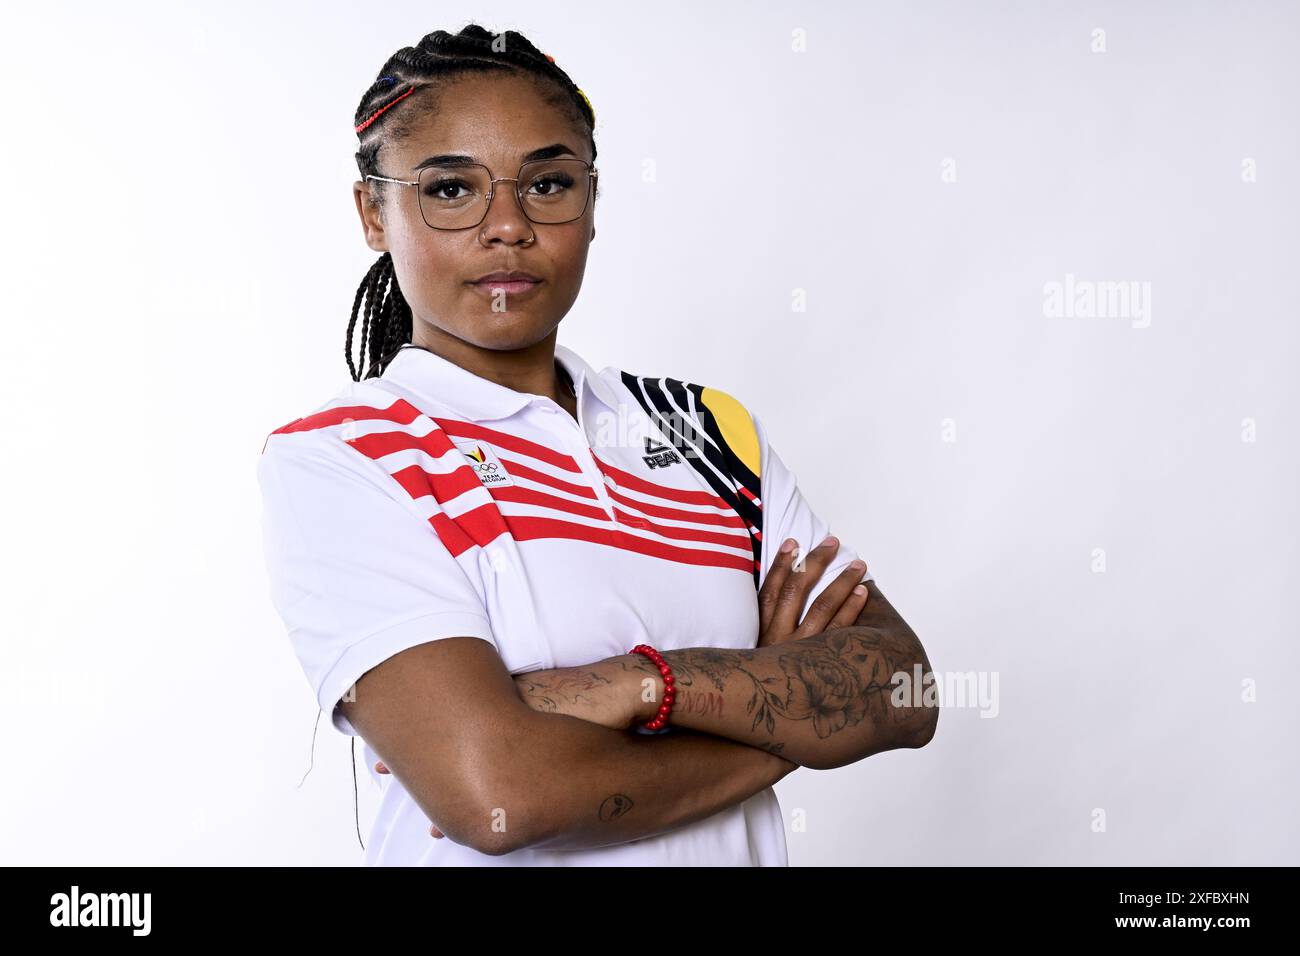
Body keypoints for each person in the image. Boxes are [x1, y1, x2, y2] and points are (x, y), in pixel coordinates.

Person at [256, 23, 937, 866]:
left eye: (546, 182)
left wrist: (638, 685)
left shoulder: (705, 430)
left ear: (591, 200)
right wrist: (796, 718)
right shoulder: (344, 459)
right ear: (373, 212)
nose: (507, 226)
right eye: (451, 190)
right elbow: (502, 793)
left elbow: (902, 689)